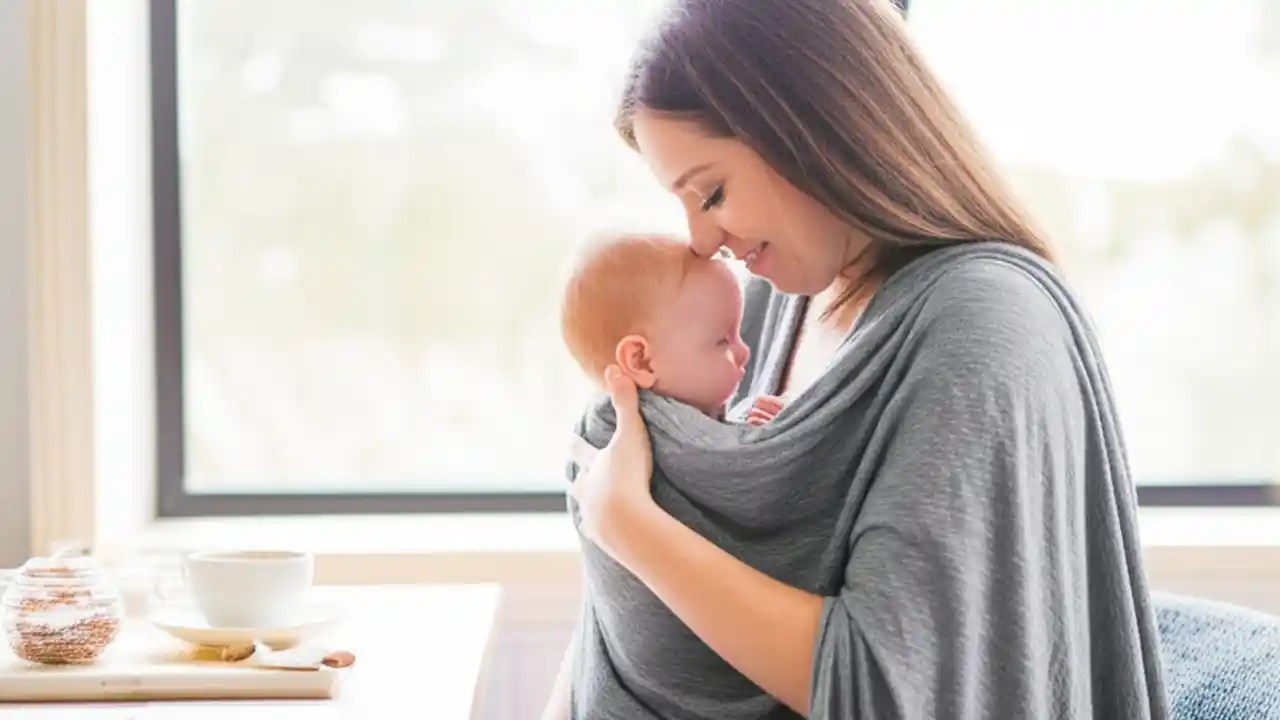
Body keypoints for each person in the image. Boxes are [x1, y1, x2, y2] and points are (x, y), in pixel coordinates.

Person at [543, 0, 1169, 718]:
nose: (700, 238)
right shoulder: (776, 304)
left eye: (711, 192)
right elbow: (624, 613)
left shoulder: (982, 324)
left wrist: (628, 526)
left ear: (811, 129)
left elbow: (880, 685)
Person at [559, 233, 784, 425]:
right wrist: (764, 436)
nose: (743, 352)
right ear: (641, 361)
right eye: (722, 341)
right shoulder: (646, 435)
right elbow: (726, 465)